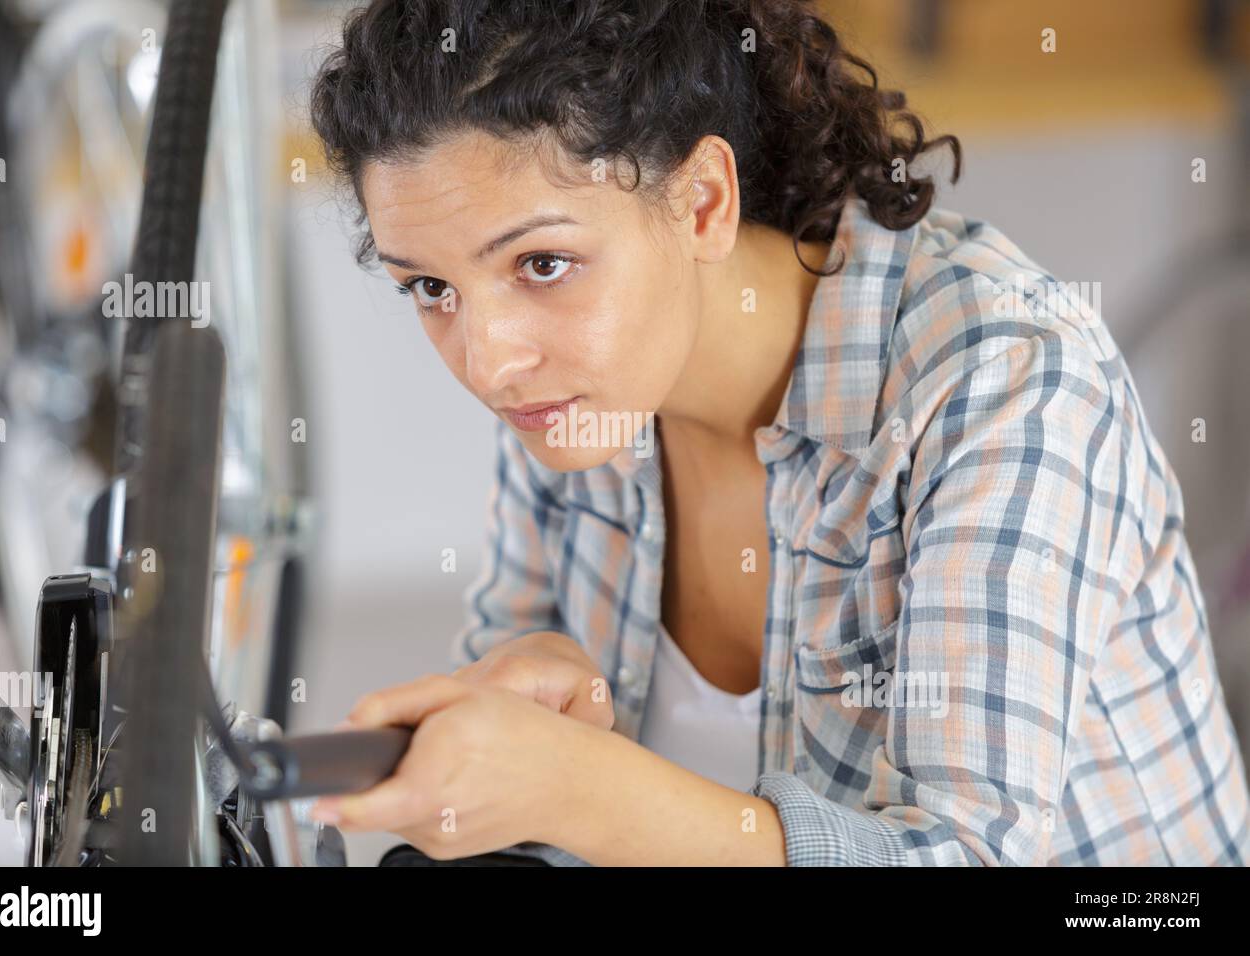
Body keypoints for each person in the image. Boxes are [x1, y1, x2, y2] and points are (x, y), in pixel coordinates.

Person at [307, 0, 1250, 866]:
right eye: (431, 288)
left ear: (705, 200)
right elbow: (531, 720)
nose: (487, 361)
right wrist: (537, 705)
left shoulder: (998, 381)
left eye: (543, 263)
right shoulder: (581, 402)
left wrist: (577, 788)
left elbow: (966, 858)